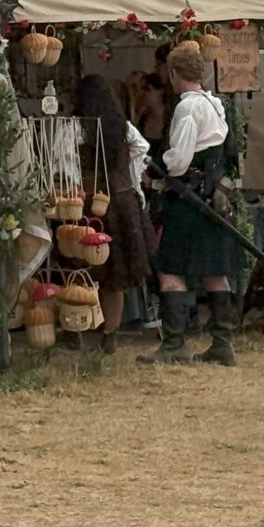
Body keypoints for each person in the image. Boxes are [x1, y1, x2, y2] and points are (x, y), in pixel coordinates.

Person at [142, 43, 241, 367]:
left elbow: (179, 162)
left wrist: (157, 166)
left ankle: (174, 344)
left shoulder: (188, 108)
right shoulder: (216, 105)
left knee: (171, 269)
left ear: (173, 73)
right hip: (211, 199)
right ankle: (222, 343)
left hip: (189, 200)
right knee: (215, 271)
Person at [76, 74, 153, 353]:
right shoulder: (123, 128)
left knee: (79, 272)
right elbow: (142, 149)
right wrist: (131, 180)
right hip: (119, 201)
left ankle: (78, 331)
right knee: (113, 276)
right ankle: (110, 333)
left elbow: (63, 163)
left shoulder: (75, 130)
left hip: (83, 201)